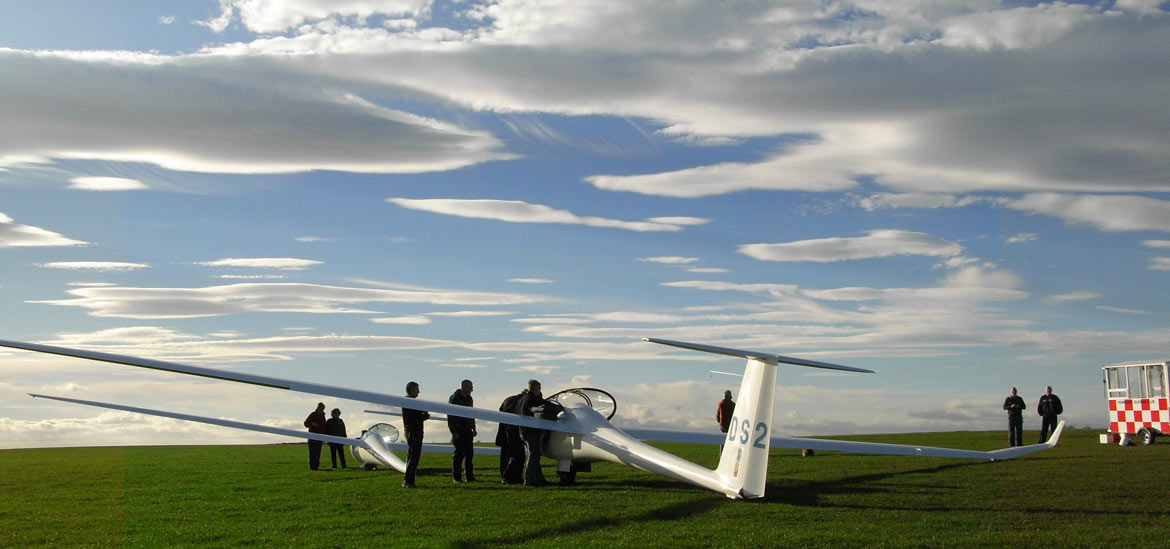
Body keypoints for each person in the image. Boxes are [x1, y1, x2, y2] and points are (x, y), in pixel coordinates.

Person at [514, 379, 562, 487]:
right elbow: (546, 404)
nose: (540, 390)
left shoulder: (522, 399)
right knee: (533, 455)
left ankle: (538, 479)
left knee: (534, 455)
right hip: (531, 431)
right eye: (539, 388)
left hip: (522, 431)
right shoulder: (533, 399)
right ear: (535, 389)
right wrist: (559, 408)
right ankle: (529, 480)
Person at [447, 379, 477, 483]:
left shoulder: (469, 399)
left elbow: (471, 414)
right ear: (464, 387)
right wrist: (453, 431)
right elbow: (450, 416)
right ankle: (457, 477)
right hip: (458, 429)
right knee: (458, 454)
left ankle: (469, 476)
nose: (472, 390)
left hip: (467, 429)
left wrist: (473, 427)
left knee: (469, 454)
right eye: (470, 387)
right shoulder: (454, 398)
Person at [401, 381, 430, 488]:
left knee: (412, 456)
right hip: (413, 432)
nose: (419, 391)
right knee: (414, 457)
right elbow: (415, 418)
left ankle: (410, 480)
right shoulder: (409, 403)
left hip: (412, 431)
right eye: (417, 389)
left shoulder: (409, 402)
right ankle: (407, 481)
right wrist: (425, 416)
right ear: (412, 390)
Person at [495, 390, 526, 484]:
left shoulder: (508, 400)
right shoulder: (520, 402)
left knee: (504, 456)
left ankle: (504, 476)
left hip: (503, 431)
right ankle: (510, 477)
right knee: (516, 456)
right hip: (513, 432)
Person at [303, 402, 327, 470]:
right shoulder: (312, 414)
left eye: (322, 409)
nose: (321, 410)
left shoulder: (323, 416)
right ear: (317, 408)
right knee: (312, 452)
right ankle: (312, 467)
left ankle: (316, 466)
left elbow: (324, 427)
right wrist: (312, 424)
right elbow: (306, 423)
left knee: (318, 453)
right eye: (320, 408)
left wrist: (324, 436)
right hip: (312, 437)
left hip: (319, 437)